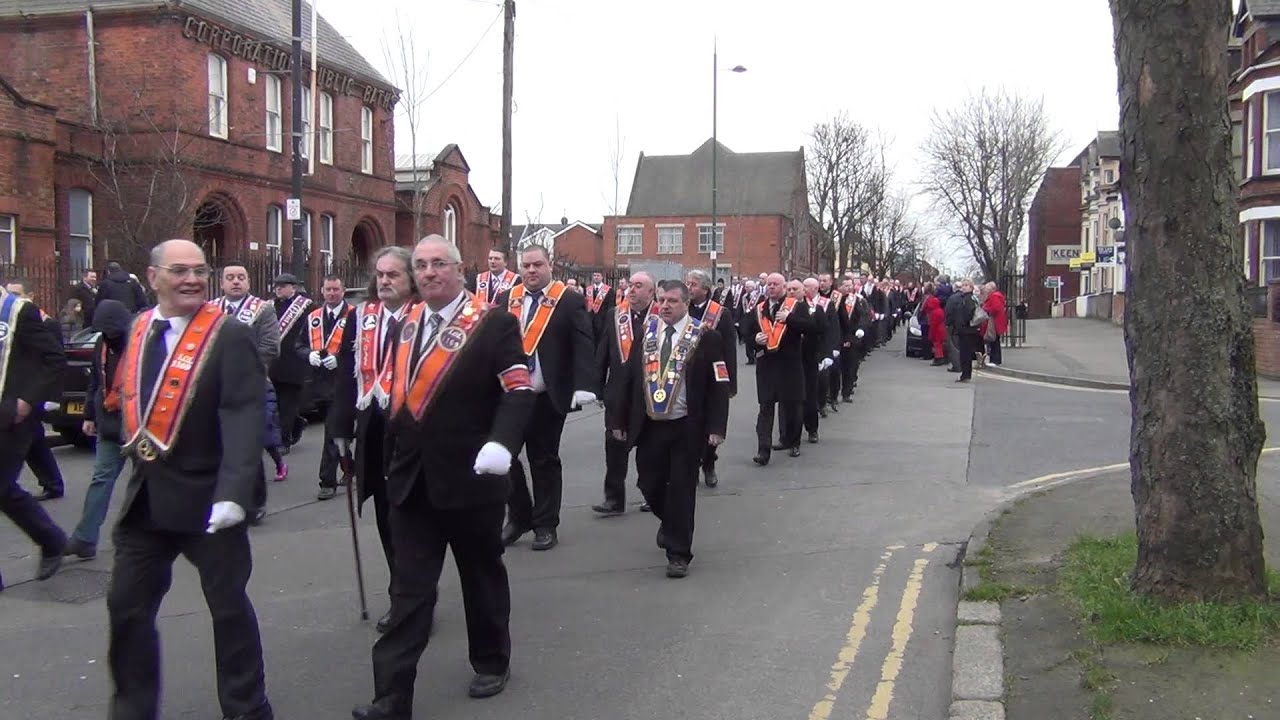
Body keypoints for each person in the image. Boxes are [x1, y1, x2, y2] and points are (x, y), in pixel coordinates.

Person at [350, 235, 535, 720]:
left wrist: (502, 443)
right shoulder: (406, 323)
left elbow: (518, 389)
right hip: (412, 482)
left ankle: (492, 660)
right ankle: (390, 697)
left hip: (472, 478)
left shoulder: (495, 323)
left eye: (438, 264)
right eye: (422, 265)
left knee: (480, 576)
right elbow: (394, 401)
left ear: (458, 269)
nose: (429, 272)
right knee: (409, 590)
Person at [105, 239, 272, 720]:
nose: (193, 280)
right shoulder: (140, 328)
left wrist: (235, 492)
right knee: (127, 609)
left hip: (210, 498)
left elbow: (242, 412)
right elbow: (126, 389)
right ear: (153, 276)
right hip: (148, 501)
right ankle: (132, 708)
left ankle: (246, 708)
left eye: (200, 270)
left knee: (228, 609)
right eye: (180, 271)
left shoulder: (229, 335)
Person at [608, 281, 729, 578]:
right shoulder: (645, 334)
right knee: (648, 483)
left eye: (673, 301)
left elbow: (719, 383)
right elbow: (629, 380)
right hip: (650, 424)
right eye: (661, 300)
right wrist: (618, 420)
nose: (665, 306)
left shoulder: (706, 337)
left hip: (687, 424)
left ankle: (678, 553)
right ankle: (671, 522)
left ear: (686, 303)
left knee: (682, 489)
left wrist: (716, 426)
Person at [329, 246, 417, 634]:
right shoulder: (362, 317)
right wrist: (338, 429)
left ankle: (415, 595)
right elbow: (347, 376)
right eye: (380, 274)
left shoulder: (424, 316)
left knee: (413, 517)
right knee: (385, 513)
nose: (384, 281)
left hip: (414, 429)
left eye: (393, 274)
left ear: (410, 278)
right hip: (374, 425)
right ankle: (402, 591)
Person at [496, 245, 596, 551]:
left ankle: (545, 524)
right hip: (511, 396)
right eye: (526, 265)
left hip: (546, 395)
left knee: (544, 460)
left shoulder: (568, 300)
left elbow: (582, 344)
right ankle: (519, 515)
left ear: (550, 265)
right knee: (504, 458)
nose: (531, 271)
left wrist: (584, 384)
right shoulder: (506, 299)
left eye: (537, 264)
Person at [0, 280, 67, 589]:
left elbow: (53, 359)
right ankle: (52, 539)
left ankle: (51, 540)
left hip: (12, 415)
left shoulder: (19, 312)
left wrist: (28, 399)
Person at [63, 300, 133, 560]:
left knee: (147, 483)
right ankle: (85, 538)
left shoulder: (141, 344)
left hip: (139, 427)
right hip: (110, 422)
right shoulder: (101, 344)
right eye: (105, 332)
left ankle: (157, 536)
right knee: (101, 479)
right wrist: (89, 415)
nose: (109, 337)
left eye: (113, 332)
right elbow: (96, 381)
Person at [215, 262, 281, 523]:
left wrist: (242, 367)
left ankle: (254, 503)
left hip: (252, 383)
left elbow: (270, 347)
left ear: (248, 282)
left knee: (249, 444)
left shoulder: (263, 310)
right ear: (222, 283)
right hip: (218, 386)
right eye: (230, 277)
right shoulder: (212, 310)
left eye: (240, 277)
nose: (235, 282)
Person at [591, 271, 657, 516]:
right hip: (618, 392)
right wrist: (596, 387)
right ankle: (613, 498)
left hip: (650, 392)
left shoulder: (661, 317)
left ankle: (652, 493)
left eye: (638, 286)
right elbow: (603, 352)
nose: (632, 290)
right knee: (615, 446)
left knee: (650, 448)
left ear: (651, 293)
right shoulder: (615, 315)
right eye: (630, 285)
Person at [741, 273, 813, 464]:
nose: (771, 287)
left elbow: (810, 328)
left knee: (793, 407)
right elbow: (745, 329)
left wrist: (790, 319)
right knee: (765, 408)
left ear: (783, 287)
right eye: (769, 284)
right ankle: (763, 450)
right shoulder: (759, 308)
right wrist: (754, 339)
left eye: (775, 284)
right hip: (767, 366)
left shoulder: (796, 306)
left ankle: (793, 441)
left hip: (790, 365)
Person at [5, 279, 66, 501]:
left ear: (29, 295)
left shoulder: (43, 321)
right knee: (36, 441)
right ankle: (52, 483)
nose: (11, 298)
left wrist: (38, 397)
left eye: (17, 293)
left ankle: (50, 485)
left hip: (28, 395)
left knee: (33, 441)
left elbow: (54, 359)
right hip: (12, 397)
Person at [686, 269, 736, 487]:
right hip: (687, 375)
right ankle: (691, 465)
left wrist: (730, 382)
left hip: (712, 376)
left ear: (705, 289)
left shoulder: (720, 313)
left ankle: (709, 462)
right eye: (687, 283)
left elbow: (729, 349)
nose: (689, 288)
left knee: (711, 422)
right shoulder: (682, 309)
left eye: (693, 284)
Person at [308, 275, 354, 500]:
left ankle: (327, 481)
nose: (332, 293)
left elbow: (363, 348)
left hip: (345, 383)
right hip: (320, 384)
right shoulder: (314, 317)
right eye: (328, 289)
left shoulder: (354, 315)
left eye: (336, 289)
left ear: (343, 291)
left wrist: (341, 359)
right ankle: (350, 467)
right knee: (336, 433)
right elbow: (299, 345)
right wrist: (308, 355)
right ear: (322, 291)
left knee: (332, 432)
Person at [270, 273, 313, 450]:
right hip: (273, 364)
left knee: (287, 403)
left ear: (293, 288)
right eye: (276, 285)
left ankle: (284, 440)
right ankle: (296, 423)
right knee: (276, 404)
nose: (278, 288)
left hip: (294, 363)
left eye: (283, 285)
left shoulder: (306, 307)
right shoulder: (270, 306)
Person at [981, 281, 1008, 366]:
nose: (985, 290)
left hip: (995, 322)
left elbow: (995, 308)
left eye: (987, 288)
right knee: (994, 341)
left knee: (994, 341)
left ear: (991, 289)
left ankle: (995, 360)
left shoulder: (994, 296)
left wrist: (986, 309)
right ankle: (994, 359)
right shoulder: (995, 296)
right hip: (996, 321)